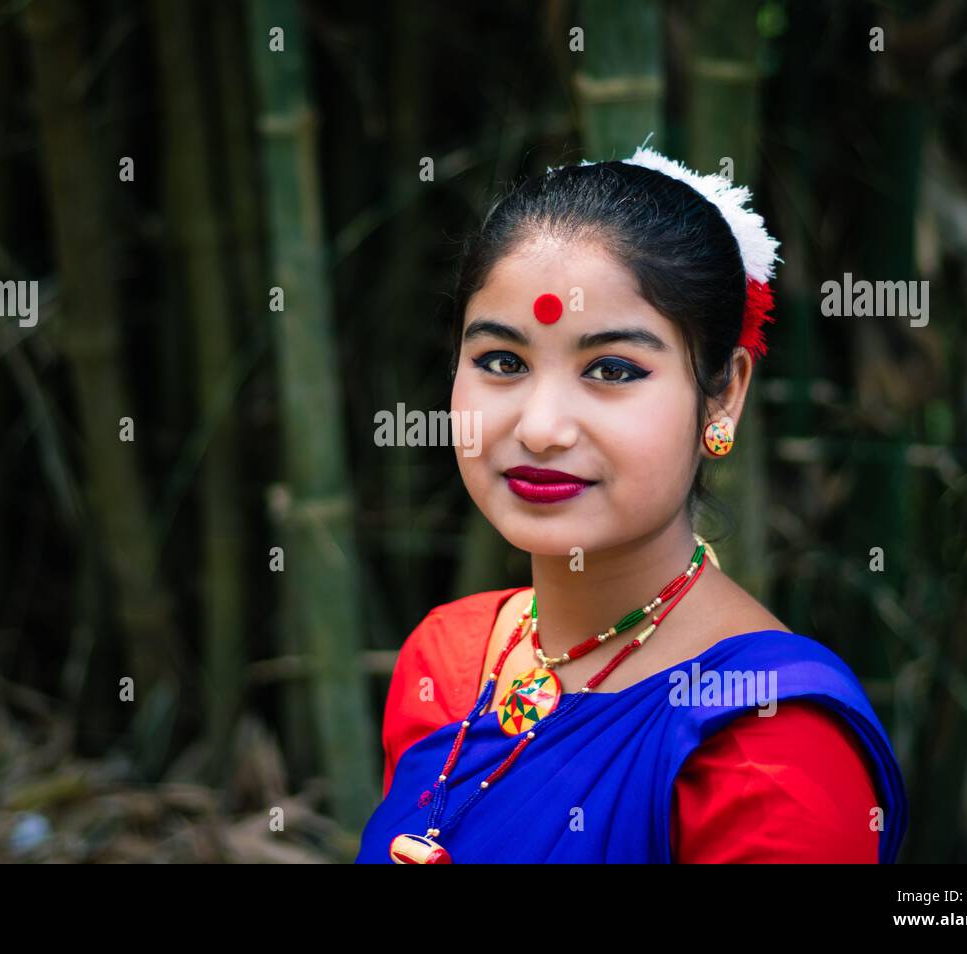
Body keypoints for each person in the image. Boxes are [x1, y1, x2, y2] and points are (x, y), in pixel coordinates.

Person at [355, 141, 908, 864]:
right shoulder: (449, 660)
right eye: (502, 362)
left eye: (613, 369)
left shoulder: (766, 743)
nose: (541, 428)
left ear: (726, 392)